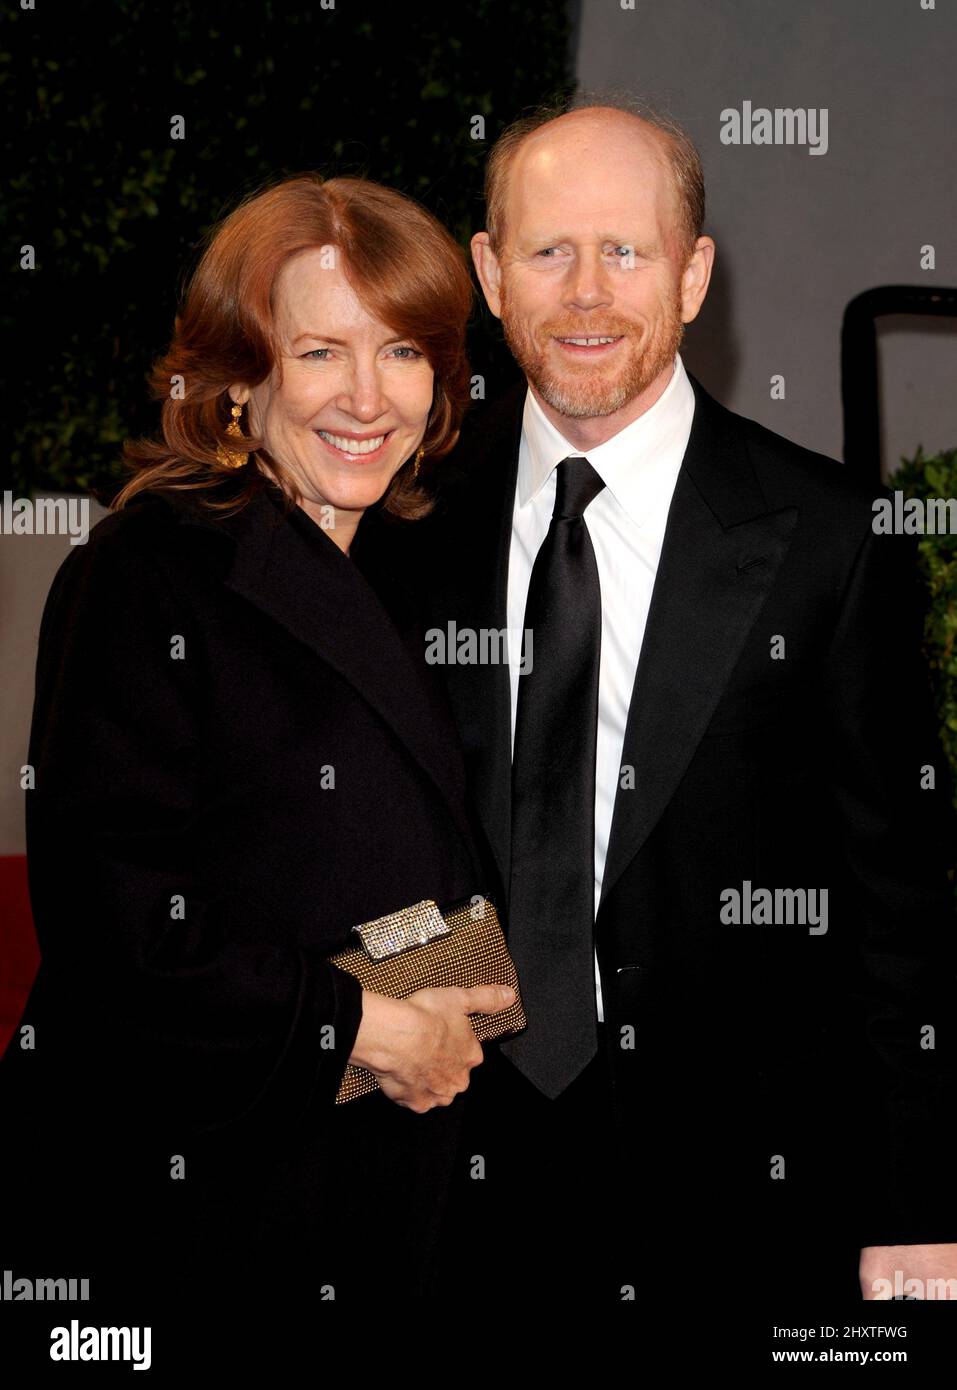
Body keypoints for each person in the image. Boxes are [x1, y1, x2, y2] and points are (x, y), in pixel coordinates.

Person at [401, 98, 957, 1306]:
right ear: (491, 274)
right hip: (453, 1180)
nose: (587, 293)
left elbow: (902, 913)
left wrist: (920, 1213)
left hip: (747, 1202)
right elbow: (371, 841)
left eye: (628, 251)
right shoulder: (403, 522)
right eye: (549, 251)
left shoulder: (830, 540)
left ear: (694, 275)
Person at [0, 172, 517, 1321]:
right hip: (188, 1221)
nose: (366, 395)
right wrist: (369, 1028)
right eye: (320, 351)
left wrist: (453, 989)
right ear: (239, 375)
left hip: (372, 1192)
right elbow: (116, 921)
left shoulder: (400, 572)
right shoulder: (145, 571)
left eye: (401, 351)